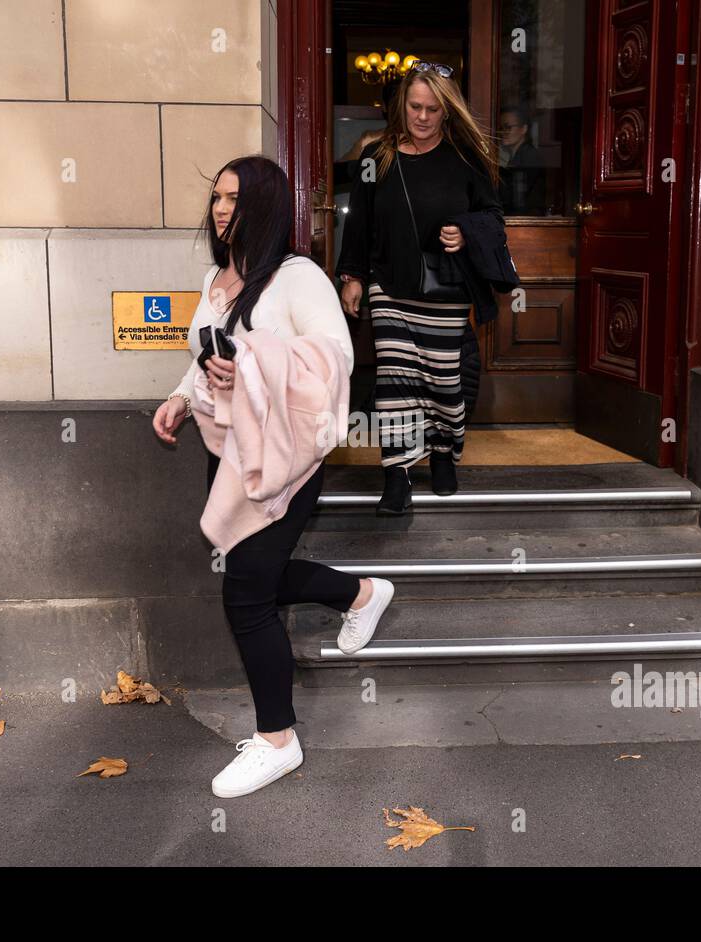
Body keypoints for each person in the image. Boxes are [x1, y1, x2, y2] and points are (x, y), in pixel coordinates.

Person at [152, 155, 396, 798]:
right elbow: (208, 355)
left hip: (284, 458)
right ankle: (359, 594)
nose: (222, 209)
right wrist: (183, 395)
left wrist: (255, 365)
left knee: (245, 594)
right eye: (216, 198)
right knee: (249, 572)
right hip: (225, 451)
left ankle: (277, 740)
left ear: (264, 205)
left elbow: (335, 356)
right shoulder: (214, 279)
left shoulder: (297, 277)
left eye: (235, 198)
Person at [335, 61, 505, 515]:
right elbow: (361, 225)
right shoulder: (377, 159)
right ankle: (396, 476)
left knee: (444, 382)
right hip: (389, 288)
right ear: (402, 105)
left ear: (446, 111)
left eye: (433, 109)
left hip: (446, 293)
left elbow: (493, 217)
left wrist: (466, 232)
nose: (423, 117)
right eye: (415, 106)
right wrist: (352, 276)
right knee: (394, 383)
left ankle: (446, 452)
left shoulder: (465, 161)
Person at [497, 105, 547, 216]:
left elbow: (517, 198)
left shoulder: (530, 156)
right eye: (501, 128)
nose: (503, 132)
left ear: (523, 129)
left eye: (508, 127)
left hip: (525, 220)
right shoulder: (516, 155)